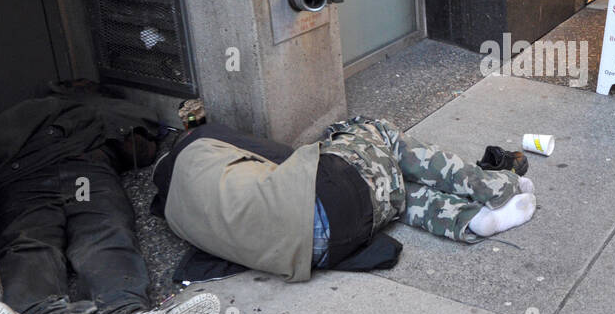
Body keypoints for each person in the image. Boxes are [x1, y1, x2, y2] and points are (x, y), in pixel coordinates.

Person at [0, 87, 221, 314]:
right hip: (71, 171)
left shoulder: (17, 121)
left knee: (30, 243)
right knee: (102, 232)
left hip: (23, 178)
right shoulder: (92, 109)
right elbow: (138, 146)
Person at [151, 117, 538, 284]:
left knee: (386, 187)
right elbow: (289, 156)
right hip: (326, 197)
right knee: (376, 134)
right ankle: (495, 185)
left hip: (326, 247)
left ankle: (468, 220)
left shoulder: (171, 212)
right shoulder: (204, 144)